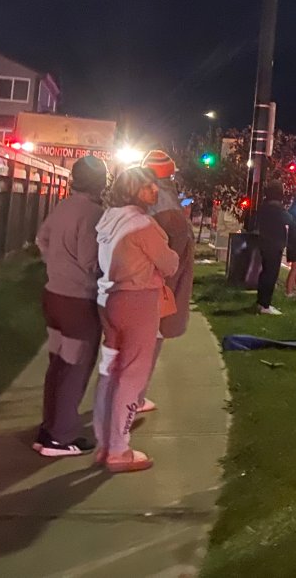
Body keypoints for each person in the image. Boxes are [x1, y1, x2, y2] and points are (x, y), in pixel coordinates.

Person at [93, 167, 180, 473]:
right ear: (133, 191)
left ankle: (104, 444)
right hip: (138, 301)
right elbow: (169, 264)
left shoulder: (109, 220)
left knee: (109, 371)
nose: (154, 191)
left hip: (109, 300)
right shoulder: (143, 225)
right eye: (147, 186)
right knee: (132, 376)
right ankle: (119, 450)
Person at [32, 155, 109, 457]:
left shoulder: (63, 206)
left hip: (53, 296)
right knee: (75, 368)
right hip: (78, 303)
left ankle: (48, 427)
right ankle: (60, 437)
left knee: (58, 364)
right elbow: (92, 261)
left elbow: (42, 239)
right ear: (100, 182)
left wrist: (57, 264)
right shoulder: (94, 214)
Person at [138, 150, 195, 414]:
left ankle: (127, 398)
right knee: (150, 342)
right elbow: (172, 260)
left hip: (133, 288)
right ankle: (134, 399)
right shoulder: (170, 212)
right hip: (159, 291)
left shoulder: (136, 203)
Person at [254, 181, 291, 315]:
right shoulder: (277, 207)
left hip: (265, 242)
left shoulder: (264, 205)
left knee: (265, 273)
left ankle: (261, 302)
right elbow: (289, 220)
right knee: (271, 274)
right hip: (274, 244)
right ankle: (265, 305)